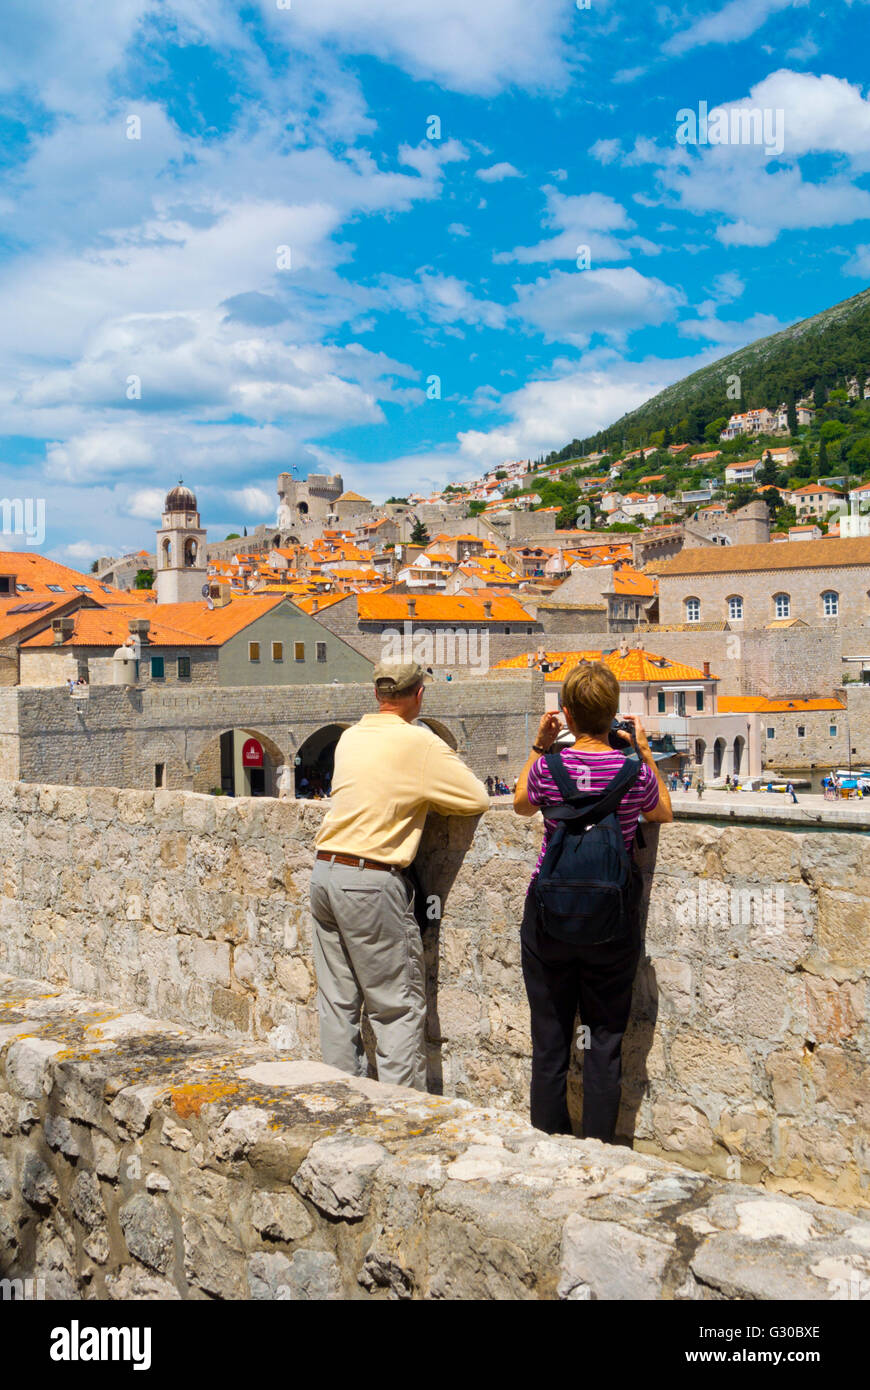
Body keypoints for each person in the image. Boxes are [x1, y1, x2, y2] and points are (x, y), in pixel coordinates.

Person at [309, 661, 489, 1090]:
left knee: (337, 1004)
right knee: (396, 1009)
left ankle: (343, 1105)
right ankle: (400, 1123)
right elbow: (476, 797)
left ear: (377, 695)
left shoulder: (349, 738)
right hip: (370, 880)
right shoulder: (418, 742)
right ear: (419, 695)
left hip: (324, 872)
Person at [513, 661, 673, 1141]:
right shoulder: (631, 773)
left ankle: (549, 1142)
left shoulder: (547, 767)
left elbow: (520, 801)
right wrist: (642, 750)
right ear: (614, 715)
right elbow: (663, 811)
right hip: (610, 923)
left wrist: (541, 744)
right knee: (605, 1042)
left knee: (550, 1040)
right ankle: (601, 1149)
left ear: (566, 714)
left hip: (549, 921)